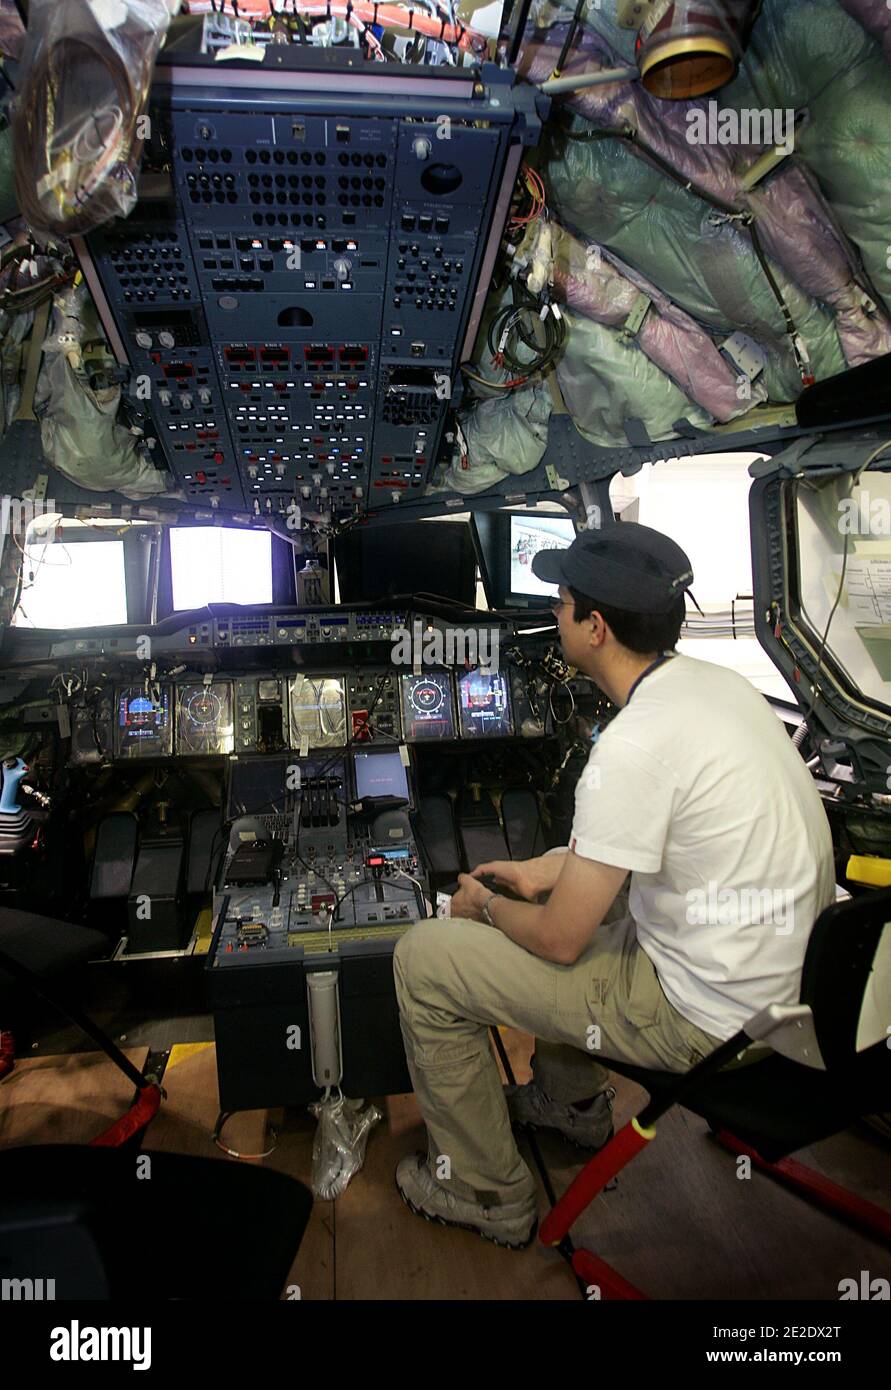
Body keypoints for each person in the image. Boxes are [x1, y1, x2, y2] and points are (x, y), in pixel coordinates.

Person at [393, 522, 835, 1248]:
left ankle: (482, 1189)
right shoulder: (717, 689)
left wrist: (487, 905)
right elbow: (641, 845)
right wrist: (540, 872)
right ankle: (569, 1107)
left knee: (425, 959)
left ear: (593, 627)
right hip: (783, 994)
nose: (555, 615)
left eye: (562, 603)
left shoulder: (631, 747)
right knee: (573, 902)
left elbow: (561, 943)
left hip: (708, 1023)